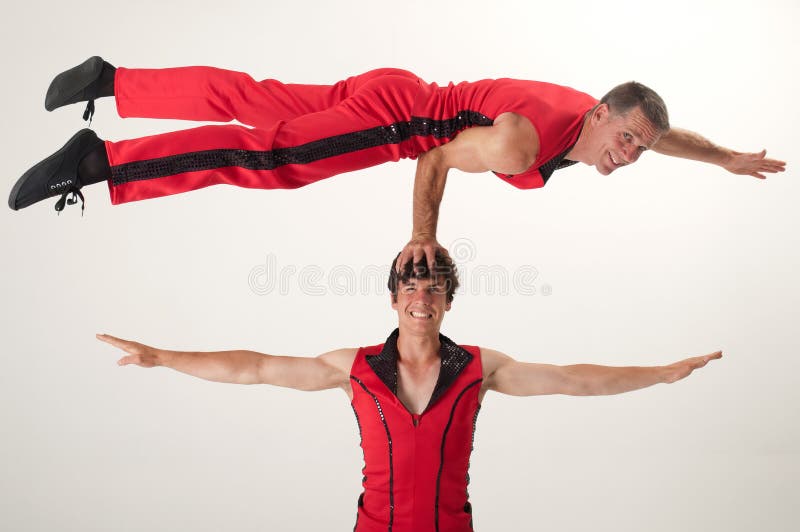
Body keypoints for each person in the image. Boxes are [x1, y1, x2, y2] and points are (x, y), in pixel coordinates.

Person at [97, 252, 721, 532]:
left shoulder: (481, 368)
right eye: (411, 287)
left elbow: (573, 379)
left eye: (434, 289)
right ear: (394, 298)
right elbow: (254, 367)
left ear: (448, 301)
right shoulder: (356, 368)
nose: (421, 299)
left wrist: (660, 373)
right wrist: (163, 357)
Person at [10, 57, 785, 267]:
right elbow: (438, 161)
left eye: (640, 149)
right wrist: (424, 237)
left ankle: (112, 82)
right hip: (395, 122)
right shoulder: (522, 140)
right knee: (263, 158)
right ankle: (103, 162)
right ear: (598, 114)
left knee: (255, 96)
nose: (630, 156)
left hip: (397, 85)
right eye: (626, 140)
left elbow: (668, 134)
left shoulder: (600, 120)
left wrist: (723, 161)